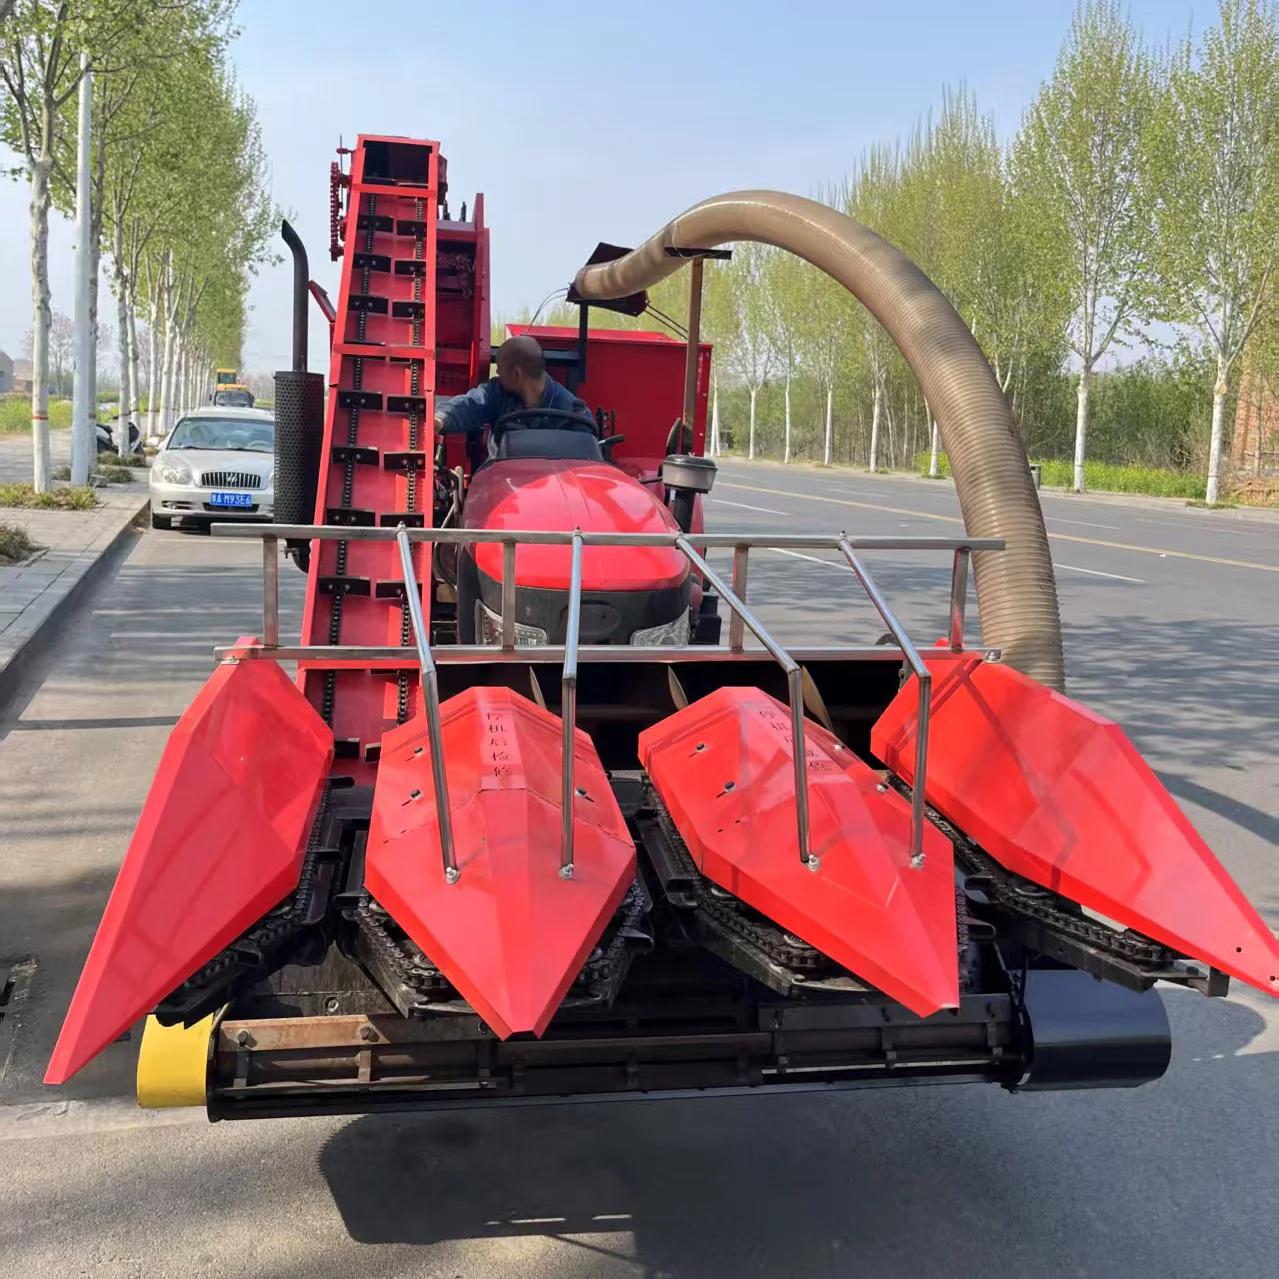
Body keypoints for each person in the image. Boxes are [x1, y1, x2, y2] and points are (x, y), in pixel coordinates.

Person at [434, 335, 592, 451]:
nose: (497, 372)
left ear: (517, 374)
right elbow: (471, 405)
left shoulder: (574, 415)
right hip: (500, 481)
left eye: (500, 368)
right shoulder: (497, 393)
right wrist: (441, 418)